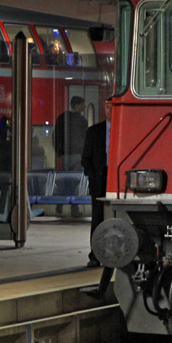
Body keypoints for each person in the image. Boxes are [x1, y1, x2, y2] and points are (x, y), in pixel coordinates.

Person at [80, 98, 111, 269]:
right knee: (98, 219)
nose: (110, 111)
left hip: (118, 178)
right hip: (99, 178)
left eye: (113, 108)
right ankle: (95, 255)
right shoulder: (94, 132)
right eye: (107, 107)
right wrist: (93, 175)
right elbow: (85, 158)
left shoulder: (125, 130)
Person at [53, 96, 88, 171]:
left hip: (64, 154)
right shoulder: (81, 120)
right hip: (77, 153)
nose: (84, 106)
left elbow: (56, 136)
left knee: (66, 177)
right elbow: (84, 136)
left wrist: (58, 152)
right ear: (77, 105)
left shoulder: (62, 117)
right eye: (82, 104)